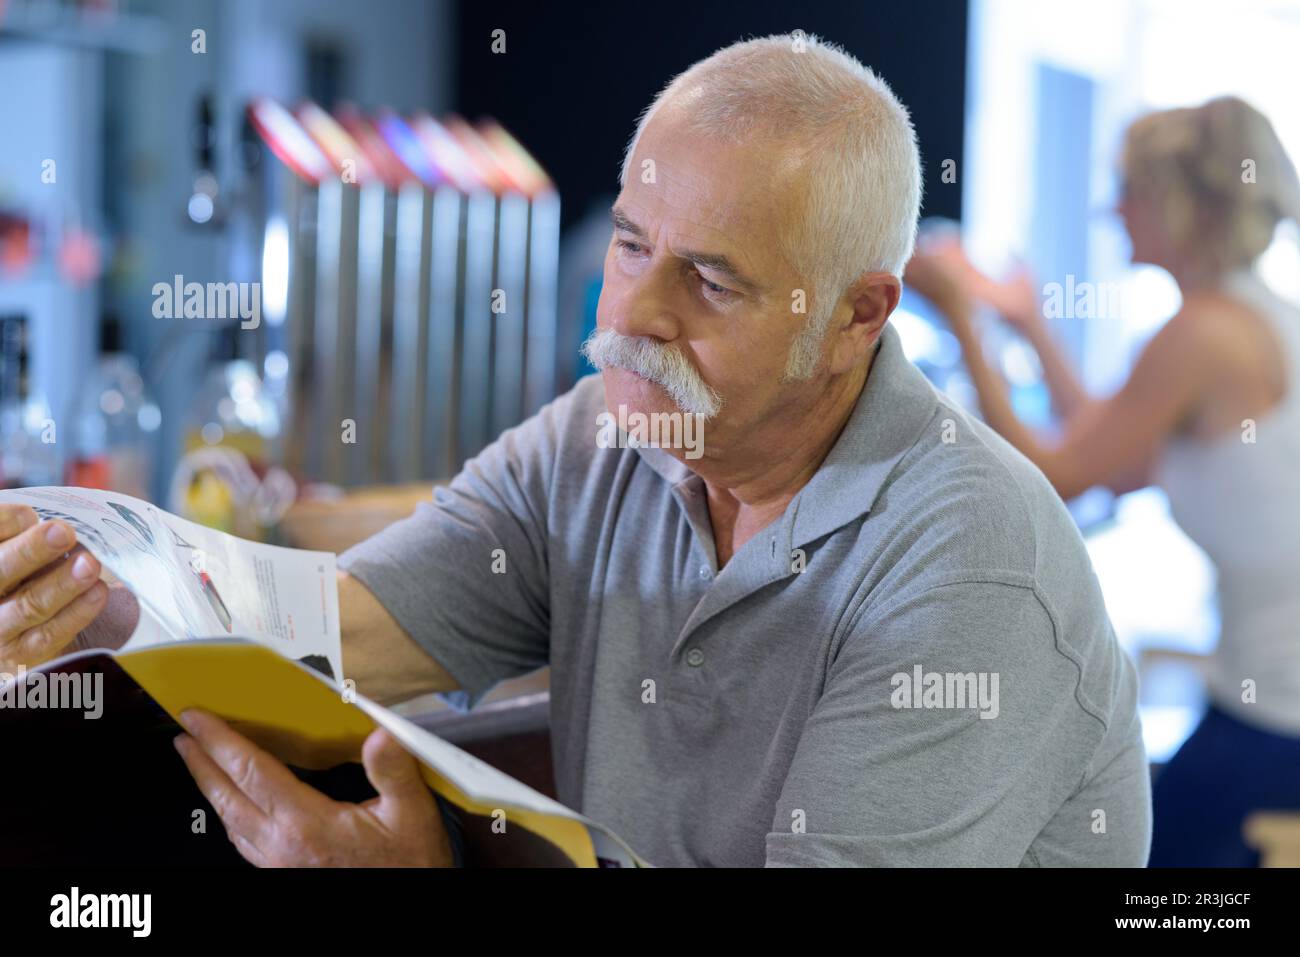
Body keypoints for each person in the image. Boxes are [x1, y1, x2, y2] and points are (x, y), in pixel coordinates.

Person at [0, 32, 1150, 867]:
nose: (631, 317)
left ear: (855, 316)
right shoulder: (611, 433)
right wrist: (88, 582)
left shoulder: (967, 564)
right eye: (631, 245)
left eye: (708, 278)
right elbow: (336, 630)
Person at [905, 96, 1300, 866]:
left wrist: (960, 315)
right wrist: (1026, 324)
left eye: (1127, 188)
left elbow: (1058, 475)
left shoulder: (1201, 336)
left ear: (1176, 204)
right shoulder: (1253, 318)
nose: (1109, 208)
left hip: (1277, 715)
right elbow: (1117, 453)